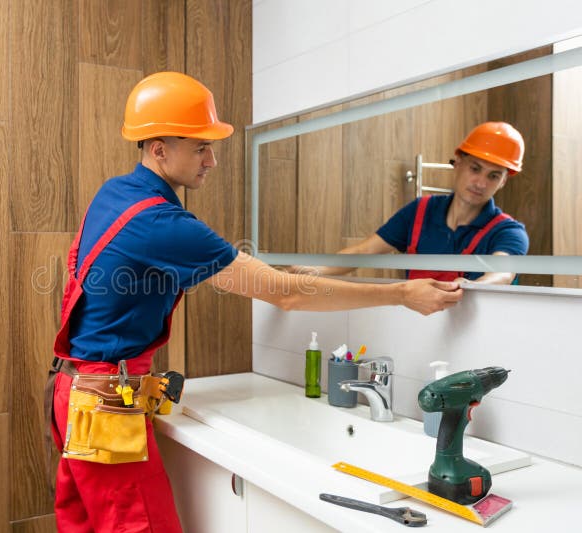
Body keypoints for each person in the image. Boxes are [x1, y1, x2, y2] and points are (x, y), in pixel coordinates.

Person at [45, 71, 463, 533]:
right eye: (200, 145)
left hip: (72, 392)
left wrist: (288, 278)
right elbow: (284, 296)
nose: (213, 159)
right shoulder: (163, 224)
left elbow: (266, 279)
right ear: (159, 148)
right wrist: (402, 293)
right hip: (105, 404)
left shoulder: (116, 193)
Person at [292, 122, 529, 285]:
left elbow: (502, 272)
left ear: (504, 181)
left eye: (493, 176)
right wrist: (313, 271)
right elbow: (363, 252)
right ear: (457, 163)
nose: (480, 182)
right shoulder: (420, 211)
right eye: (475, 169)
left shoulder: (508, 232)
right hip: (414, 328)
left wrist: (474, 286)